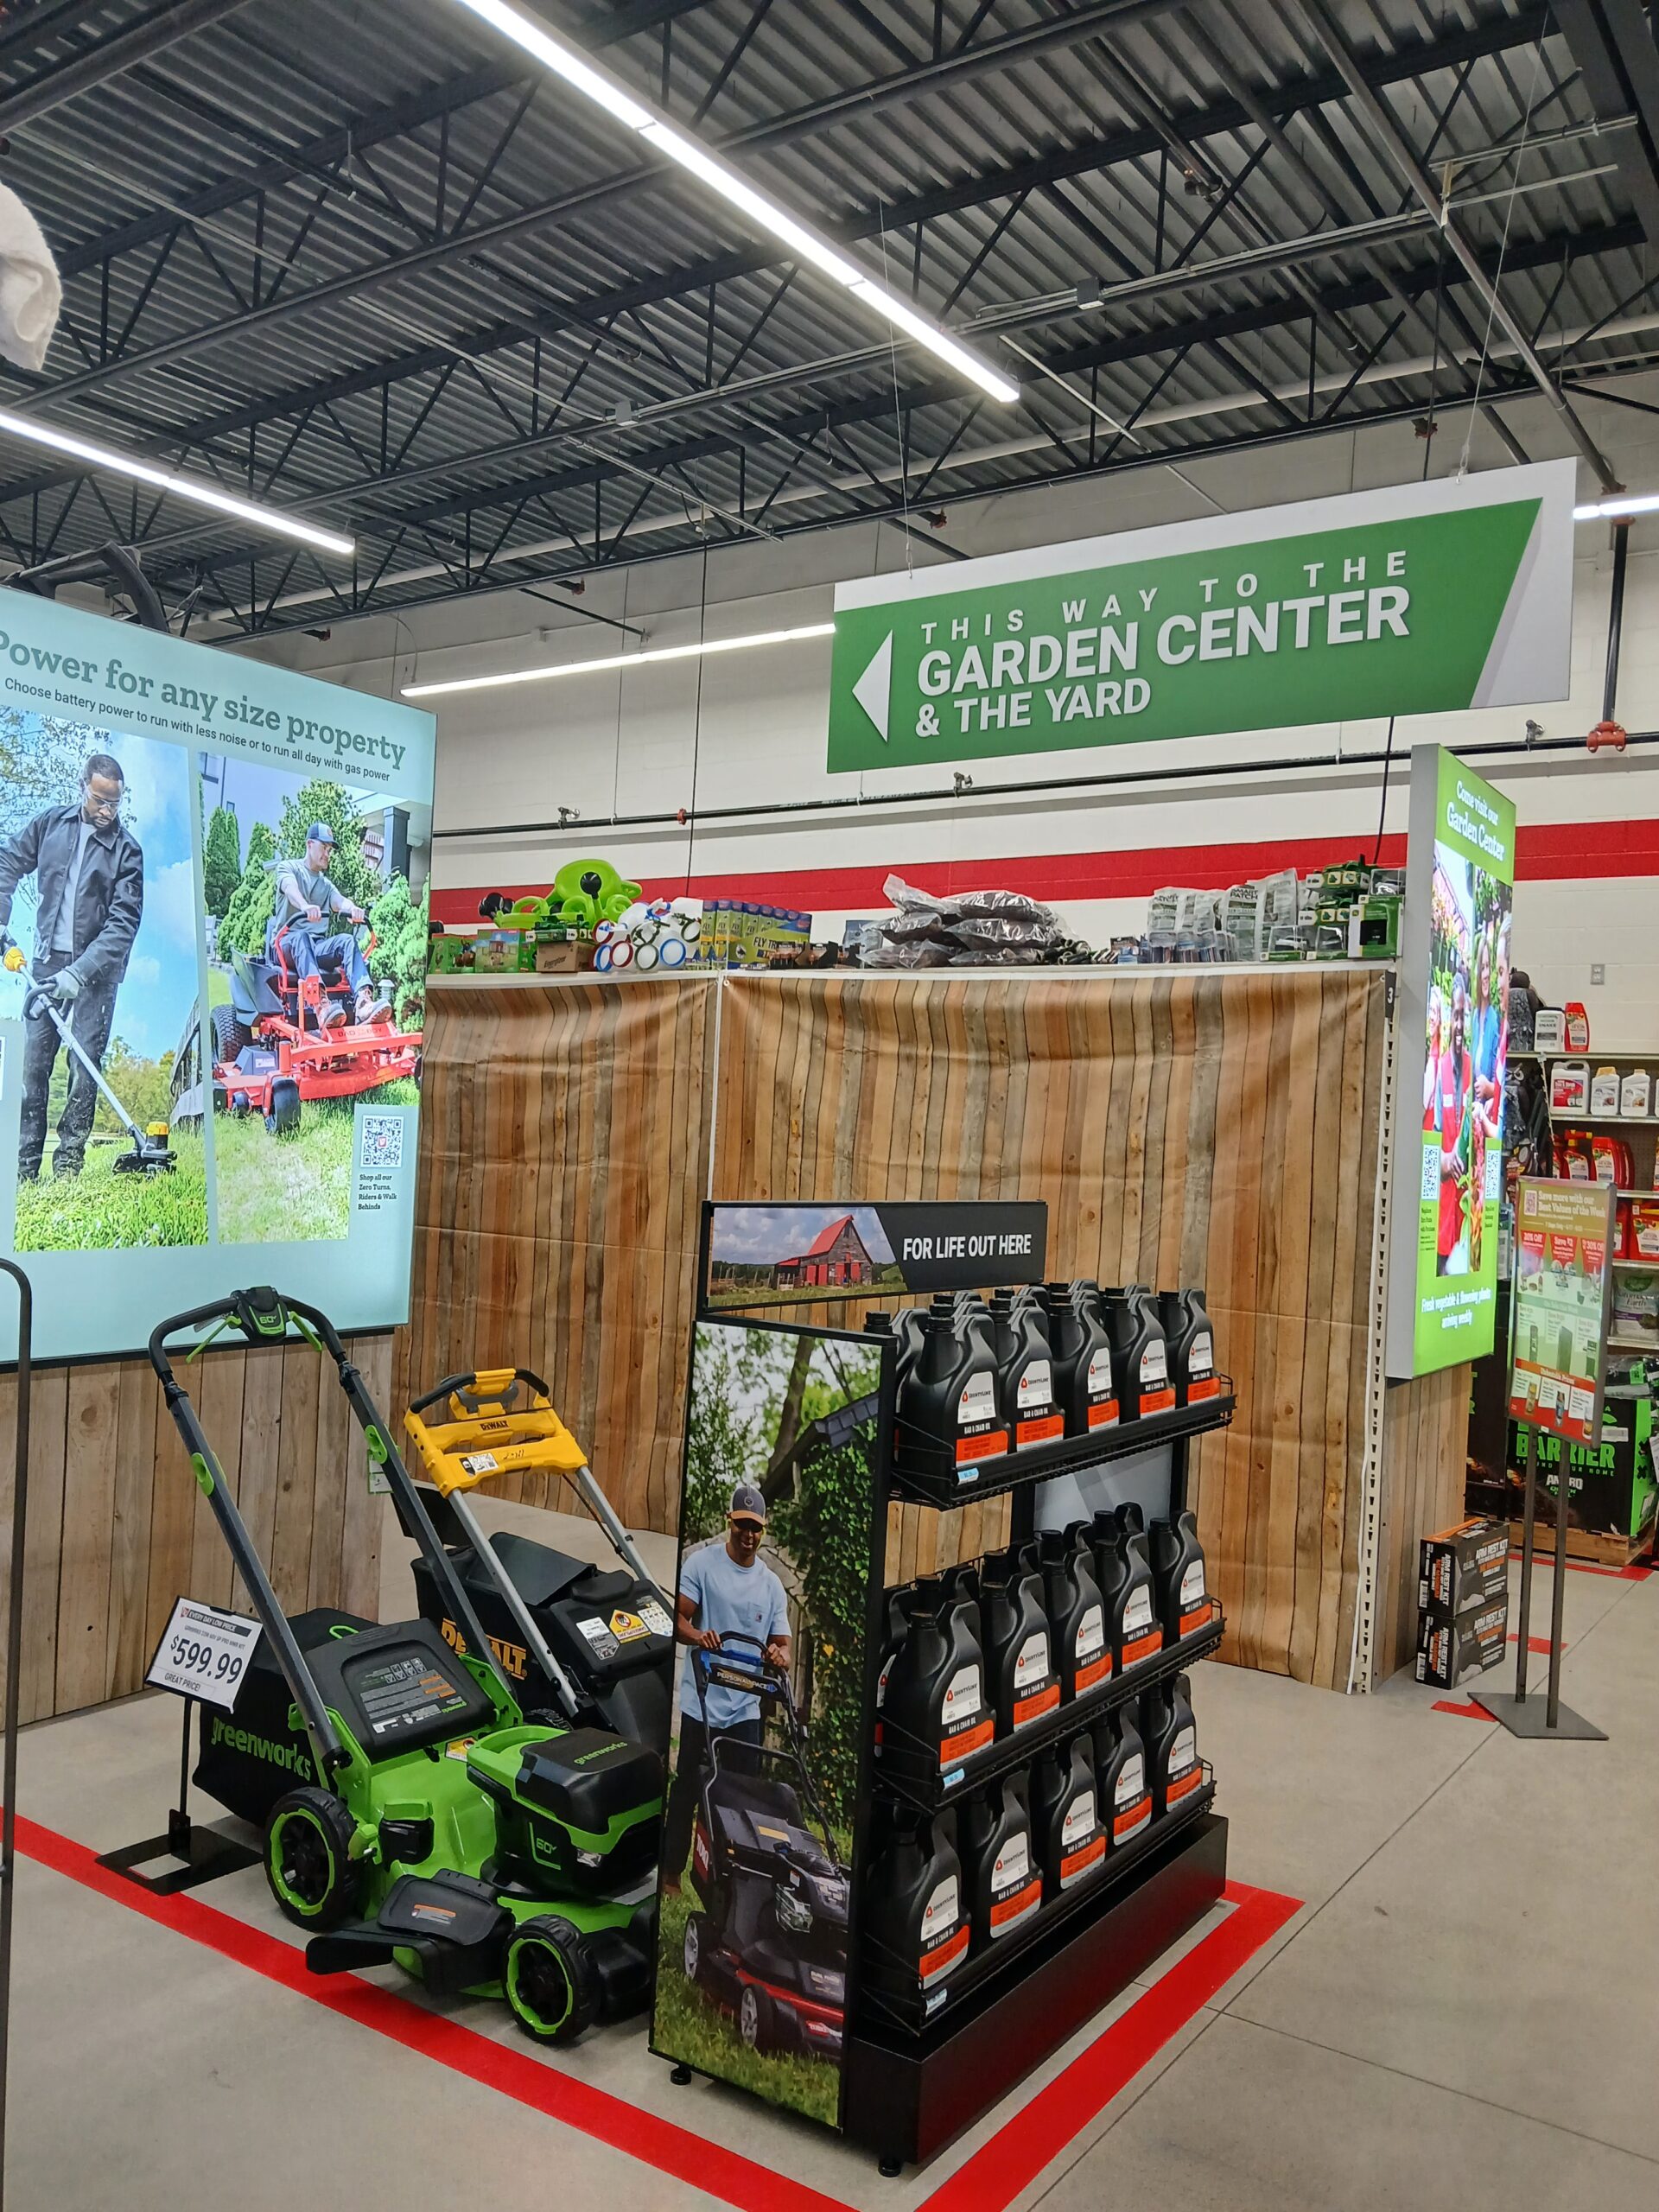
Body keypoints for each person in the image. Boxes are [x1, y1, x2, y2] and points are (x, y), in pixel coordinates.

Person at [0, 752, 143, 1181]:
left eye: (114, 803)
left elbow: (123, 924)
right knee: (34, 1066)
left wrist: (79, 973)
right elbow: (8, 863)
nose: (106, 811)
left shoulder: (127, 851)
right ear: (83, 787)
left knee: (85, 1068)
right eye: (100, 800)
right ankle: (25, 1167)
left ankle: (68, 1166)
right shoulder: (50, 825)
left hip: (95, 974)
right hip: (45, 964)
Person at [661, 1483, 791, 1897]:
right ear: (729, 1522)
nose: (748, 1535)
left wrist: (777, 1654)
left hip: (745, 1706)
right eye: (741, 1526)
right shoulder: (702, 1566)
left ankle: (732, 1877)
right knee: (686, 1788)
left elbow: (783, 1645)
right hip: (703, 1699)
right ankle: (669, 1875)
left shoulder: (771, 1586)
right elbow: (678, 1622)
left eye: (755, 1528)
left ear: (763, 1529)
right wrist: (699, 1636)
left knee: (742, 1795)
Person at [273, 823, 390, 1027]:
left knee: (346, 941)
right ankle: (321, 1006)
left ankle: (363, 1002)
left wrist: (353, 910)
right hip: (287, 942)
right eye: (324, 847)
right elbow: (289, 889)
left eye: (330, 850)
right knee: (302, 938)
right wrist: (305, 906)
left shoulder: (326, 885)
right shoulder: (288, 868)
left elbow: (340, 901)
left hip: (316, 946)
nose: (328, 854)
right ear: (309, 844)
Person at [1436, 978, 1471, 1273]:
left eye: (1463, 1016)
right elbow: (1424, 1146)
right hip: (1440, 1218)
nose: (1459, 1024)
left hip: (1468, 1224)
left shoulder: (1477, 1073)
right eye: (1455, 1016)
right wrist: (1443, 1160)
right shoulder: (1439, 1071)